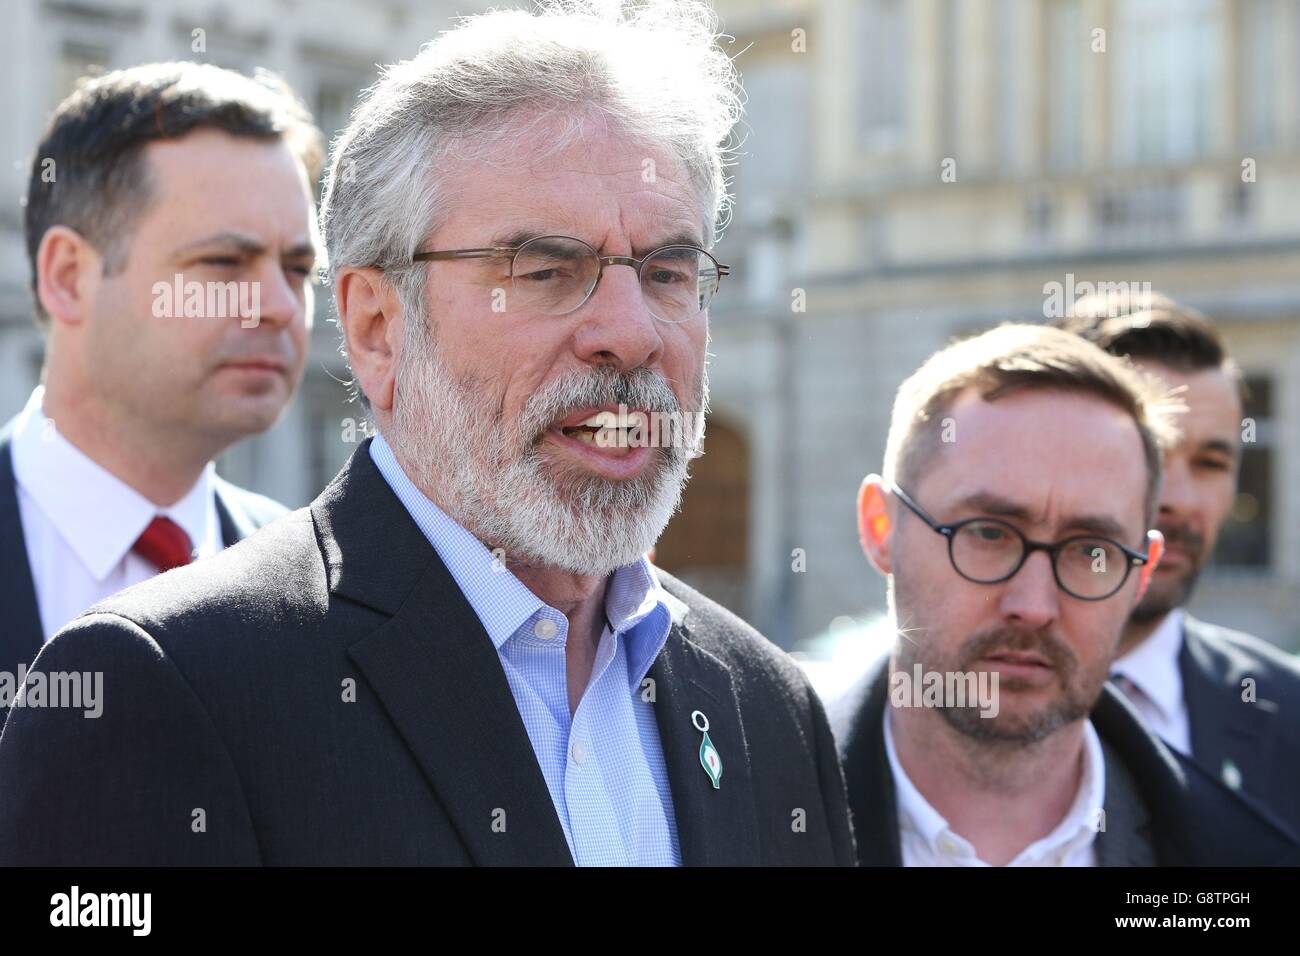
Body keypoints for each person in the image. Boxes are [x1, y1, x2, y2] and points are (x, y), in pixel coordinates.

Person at [0, 1, 854, 867]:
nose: (632, 332)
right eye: (547, 270)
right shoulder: (167, 686)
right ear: (377, 326)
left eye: (668, 272)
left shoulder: (771, 709)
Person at [828, 323, 1299, 866]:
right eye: (989, 534)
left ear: (1141, 575)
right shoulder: (755, 810)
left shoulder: (1241, 858)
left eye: (1091, 551)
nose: (1034, 606)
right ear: (882, 526)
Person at [0, 62, 322, 710]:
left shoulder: (319, 585)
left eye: (297, 268)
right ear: (68, 276)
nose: (279, 305)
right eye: (223, 262)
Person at [1057, 293, 1300, 835]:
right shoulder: (938, 703)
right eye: (1150, 453)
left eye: (1211, 462)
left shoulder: (1289, 713)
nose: (1179, 499)